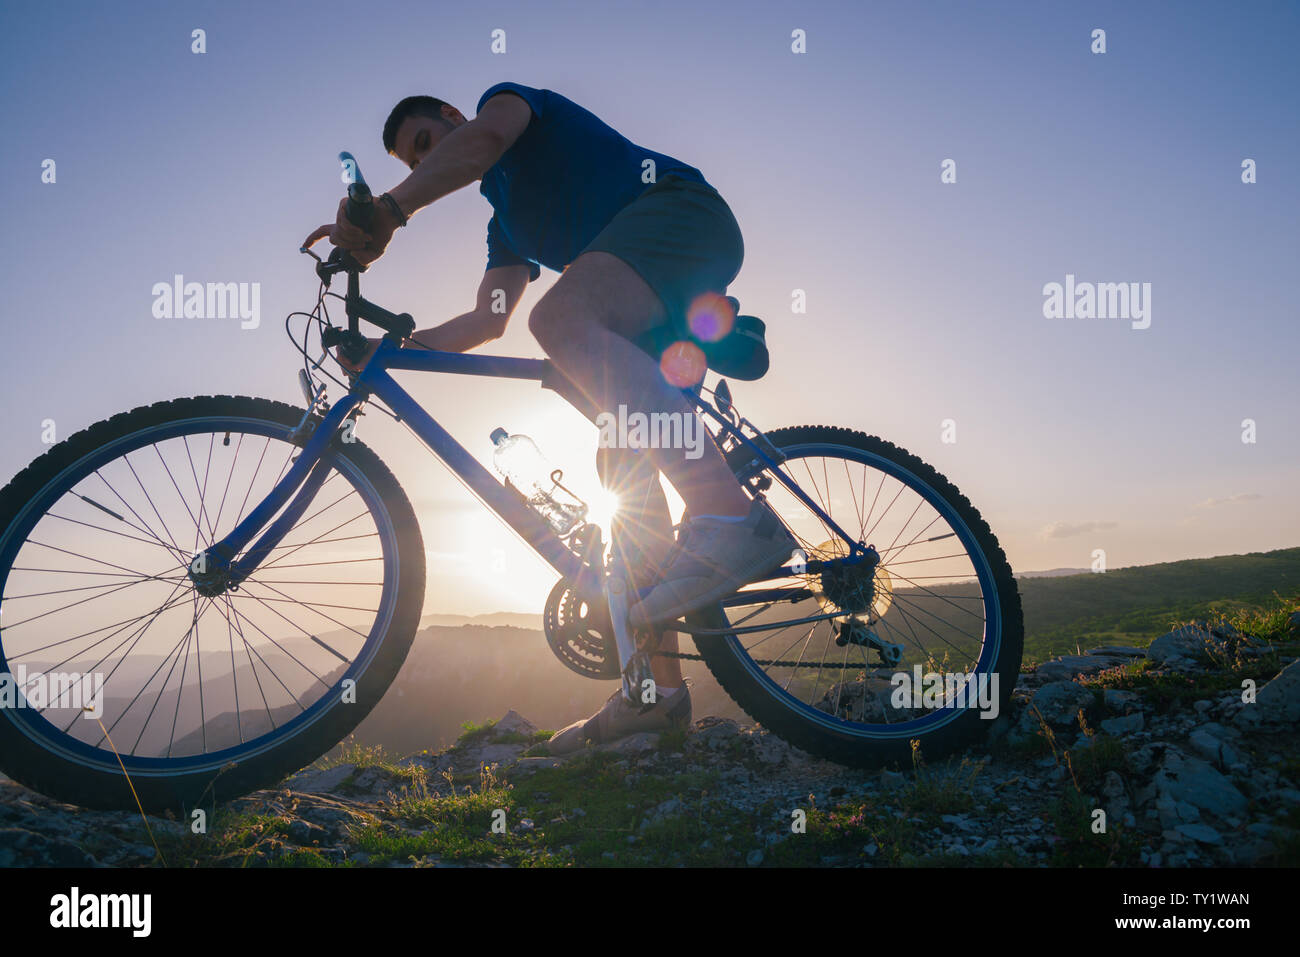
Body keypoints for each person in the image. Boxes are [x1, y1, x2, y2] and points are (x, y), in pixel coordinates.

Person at [303, 82, 794, 751]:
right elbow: (489, 318)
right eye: (410, 166)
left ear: (451, 114)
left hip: (681, 215)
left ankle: (732, 514)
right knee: (630, 497)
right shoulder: (505, 224)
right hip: (639, 295)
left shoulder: (504, 107)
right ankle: (657, 695)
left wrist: (391, 209)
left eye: (423, 145)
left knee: (559, 319)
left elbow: (481, 144)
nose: (421, 167)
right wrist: (392, 352)